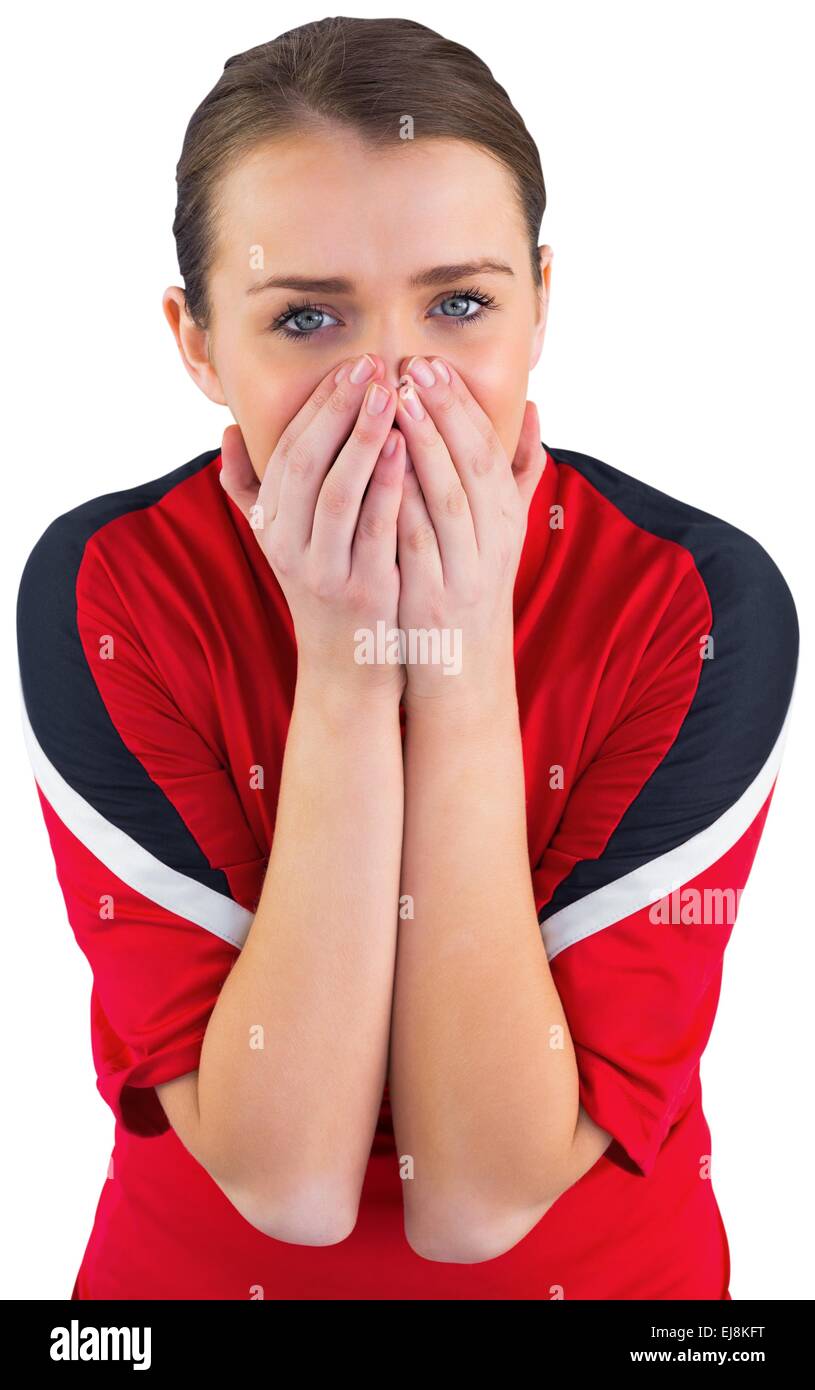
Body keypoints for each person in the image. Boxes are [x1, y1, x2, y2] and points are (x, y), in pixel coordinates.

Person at [16, 17, 798, 1300]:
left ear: (542, 302)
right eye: (308, 315)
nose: (390, 385)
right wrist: (344, 673)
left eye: (459, 304)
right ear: (197, 342)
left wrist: (457, 669)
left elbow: (479, 1198)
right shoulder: (110, 590)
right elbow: (288, 1183)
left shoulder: (696, 603)